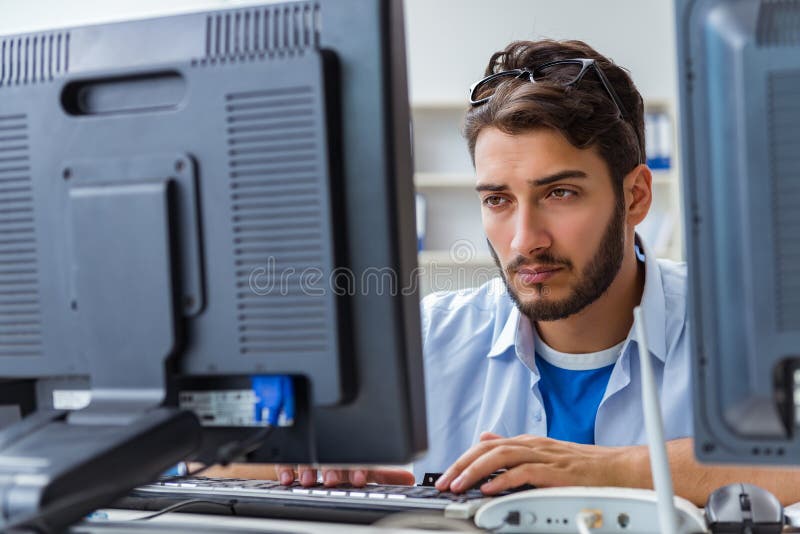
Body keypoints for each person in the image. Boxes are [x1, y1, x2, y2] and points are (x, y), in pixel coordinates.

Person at [214, 38, 800, 506]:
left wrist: (605, 470)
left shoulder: (745, 329)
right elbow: (210, 460)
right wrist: (310, 458)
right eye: (497, 200)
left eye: (561, 192)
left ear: (637, 195)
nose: (525, 240)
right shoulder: (422, 342)